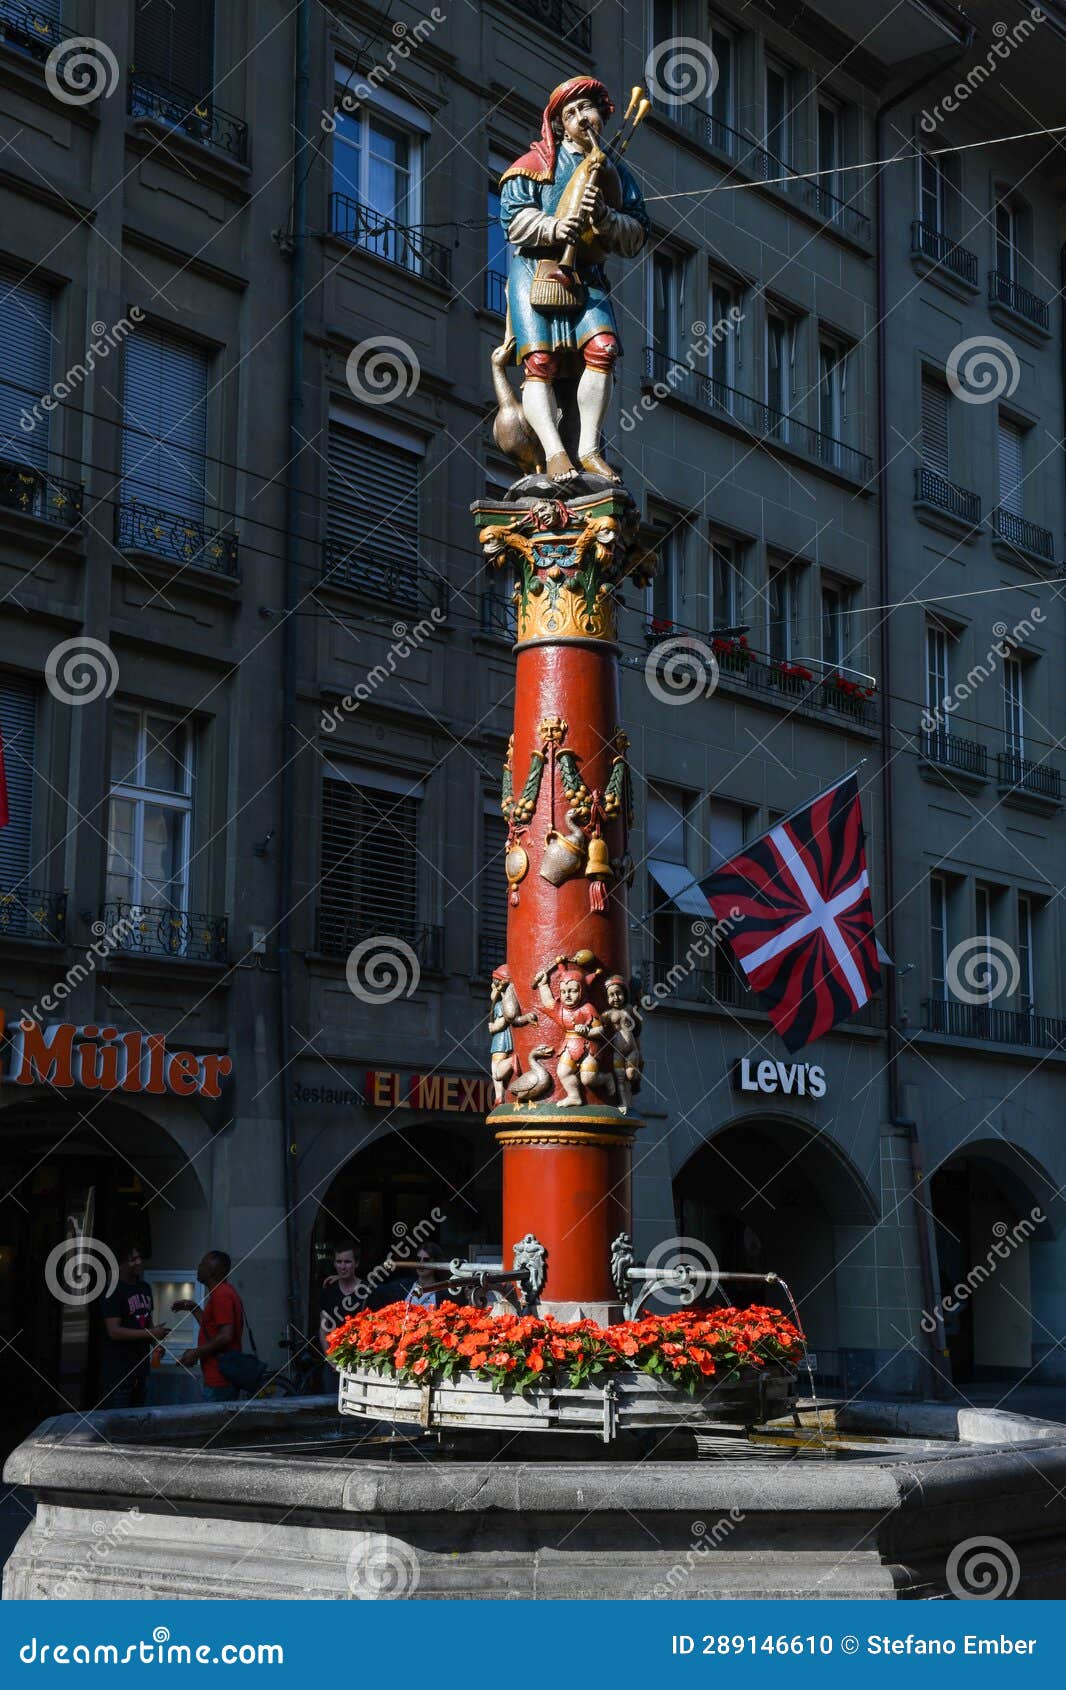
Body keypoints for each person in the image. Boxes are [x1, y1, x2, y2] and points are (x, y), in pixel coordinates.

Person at [499, 77, 649, 482]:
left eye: (588, 108)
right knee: (539, 362)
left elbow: (636, 234)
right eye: (571, 113)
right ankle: (553, 452)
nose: (582, 118)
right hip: (536, 272)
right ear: (558, 124)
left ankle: (587, 449)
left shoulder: (617, 173)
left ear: (602, 114)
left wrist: (605, 217)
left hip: (587, 274)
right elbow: (513, 219)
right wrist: (554, 228)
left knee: (603, 347)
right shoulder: (532, 167)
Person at [98, 1240, 170, 1409]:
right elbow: (114, 1331)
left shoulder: (145, 1287)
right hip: (119, 1374)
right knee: (117, 1426)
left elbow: (146, 1321)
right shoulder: (112, 1290)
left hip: (141, 1371)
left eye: (139, 1258)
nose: (139, 1262)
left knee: (136, 1425)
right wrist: (151, 1333)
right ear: (120, 1264)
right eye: (132, 1259)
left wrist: (156, 1342)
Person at [172, 1249, 244, 1402]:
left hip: (220, 1380)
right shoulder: (223, 1292)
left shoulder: (221, 1295)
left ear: (211, 1271)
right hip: (220, 1378)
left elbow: (225, 1336)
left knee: (214, 1425)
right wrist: (193, 1308)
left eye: (202, 1264)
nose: (198, 1267)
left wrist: (195, 1353)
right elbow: (211, 1330)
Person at [318, 1239, 365, 1388]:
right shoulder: (329, 1291)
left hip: (360, 1362)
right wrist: (331, 1359)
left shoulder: (367, 1291)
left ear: (356, 1264)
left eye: (347, 1262)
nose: (342, 1266)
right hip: (334, 1361)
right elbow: (324, 1329)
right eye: (339, 1262)